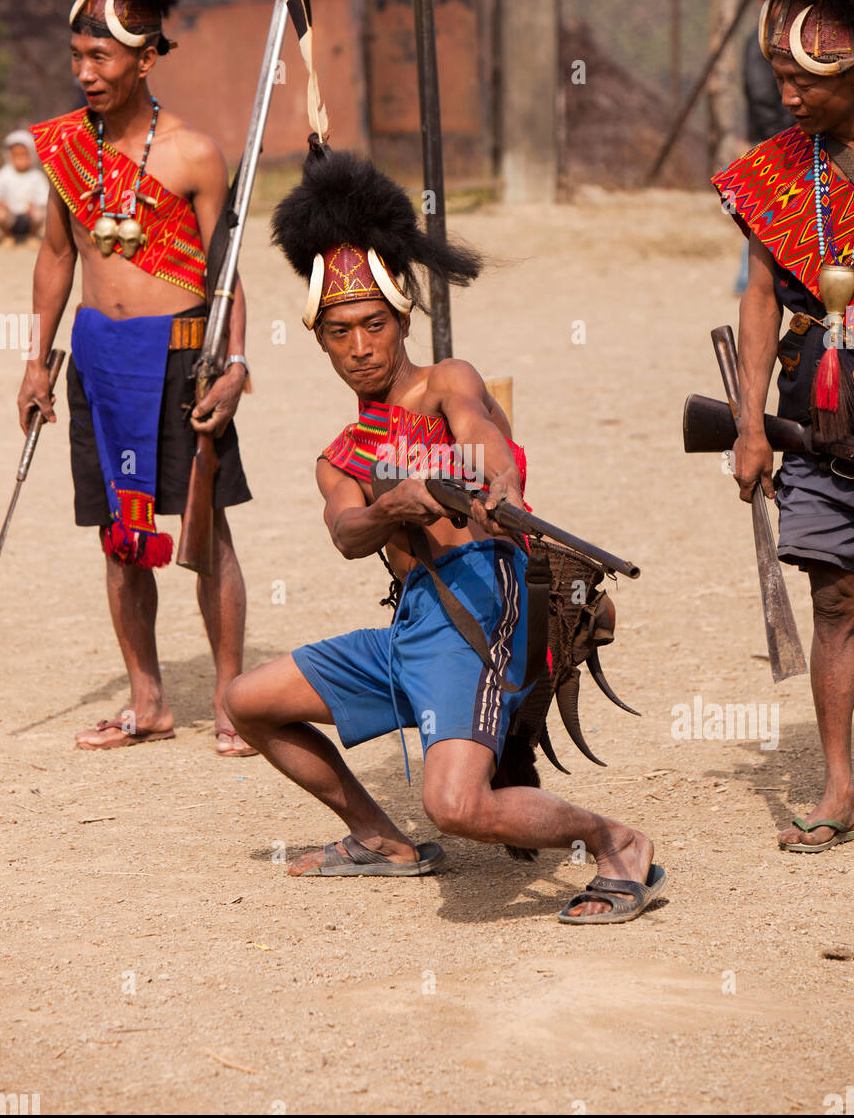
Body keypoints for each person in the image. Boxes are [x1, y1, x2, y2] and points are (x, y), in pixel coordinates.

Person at [223, 145, 666, 924]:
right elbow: (347, 534)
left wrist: (499, 484)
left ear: (400, 319)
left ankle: (616, 842)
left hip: (481, 608)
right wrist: (395, 506)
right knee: (246, 701)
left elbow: (481, 435)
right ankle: (378, 840)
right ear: (320, 340)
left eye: (372, 325)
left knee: (455, 806)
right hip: (416, 626)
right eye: (338, 332)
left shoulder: (444, 381)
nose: (359, 347)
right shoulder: (338, 458)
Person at [16, 0, 255, 757]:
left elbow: (228, 272)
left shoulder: (193, 153)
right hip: (99, 361)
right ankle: (147, 698)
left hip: (186, 358)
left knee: (203, 532)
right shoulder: (62, 153)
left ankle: (234, 702)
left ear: (146, 57)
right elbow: (54, 258)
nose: (84, 74)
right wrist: (37, 360)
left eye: (102, 59)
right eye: (76, 57)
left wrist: (236, 368)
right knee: (121, 537)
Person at [712, 0, 854, 851]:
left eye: (804, 78)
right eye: (780, 75)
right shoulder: (777, 174)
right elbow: (760, 295)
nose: (786, 93)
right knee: (833, 597)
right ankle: (838, 783)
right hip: (815, 410)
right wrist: (748, 422)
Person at [733, 17, 796, 294]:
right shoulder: (764, 39)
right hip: (773, 139)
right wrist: (781, 136)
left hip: (787, 136)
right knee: (763, 213)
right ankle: (748, 279)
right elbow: (760, 94)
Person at [0, 130, 49, 243]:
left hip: (28, 216)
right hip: (10, 217)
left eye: (23, 154)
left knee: (39, 213)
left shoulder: (36, 176)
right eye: (16, 154)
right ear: (9, 155)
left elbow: (44, 197)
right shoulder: (3, 174)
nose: (20, 158)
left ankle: (32, 236)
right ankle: (8, 237)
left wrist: (35, 205)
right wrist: (2, 203)